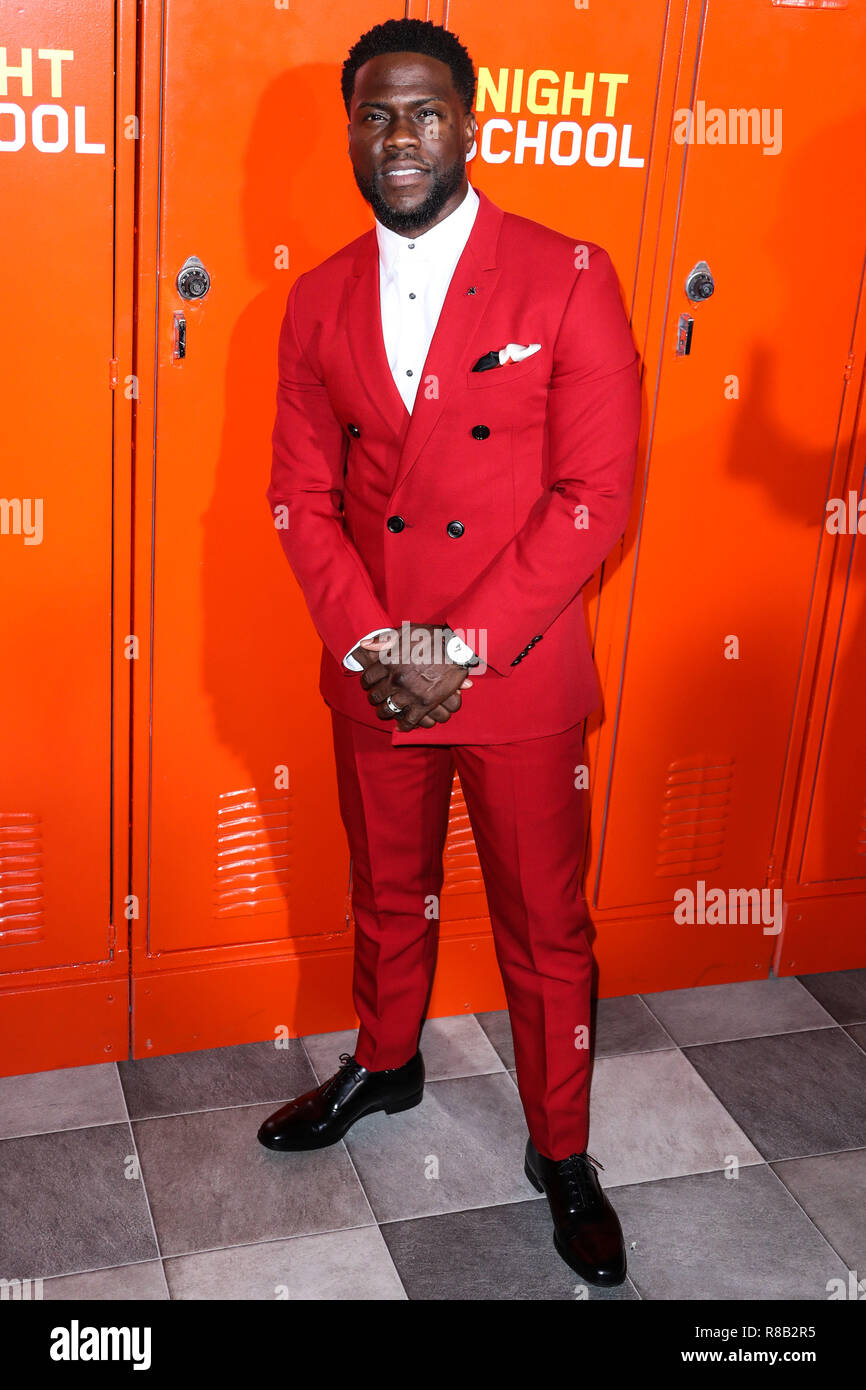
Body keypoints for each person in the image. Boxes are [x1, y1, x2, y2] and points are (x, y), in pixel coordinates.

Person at [259, 16, 641, 1287]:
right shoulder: (315, 299)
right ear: (351, 134)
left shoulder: (569, 274)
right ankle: (385, 1060)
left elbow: (595, 495)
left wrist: (457, 649)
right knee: (385, 890)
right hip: (374, 666)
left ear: (468, 124)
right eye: (375, 114)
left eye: (423, 112)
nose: (399, 137)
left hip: (514, 670)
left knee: (545, 927)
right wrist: (377, 642)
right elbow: (301, 500)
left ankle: (561, 1150)